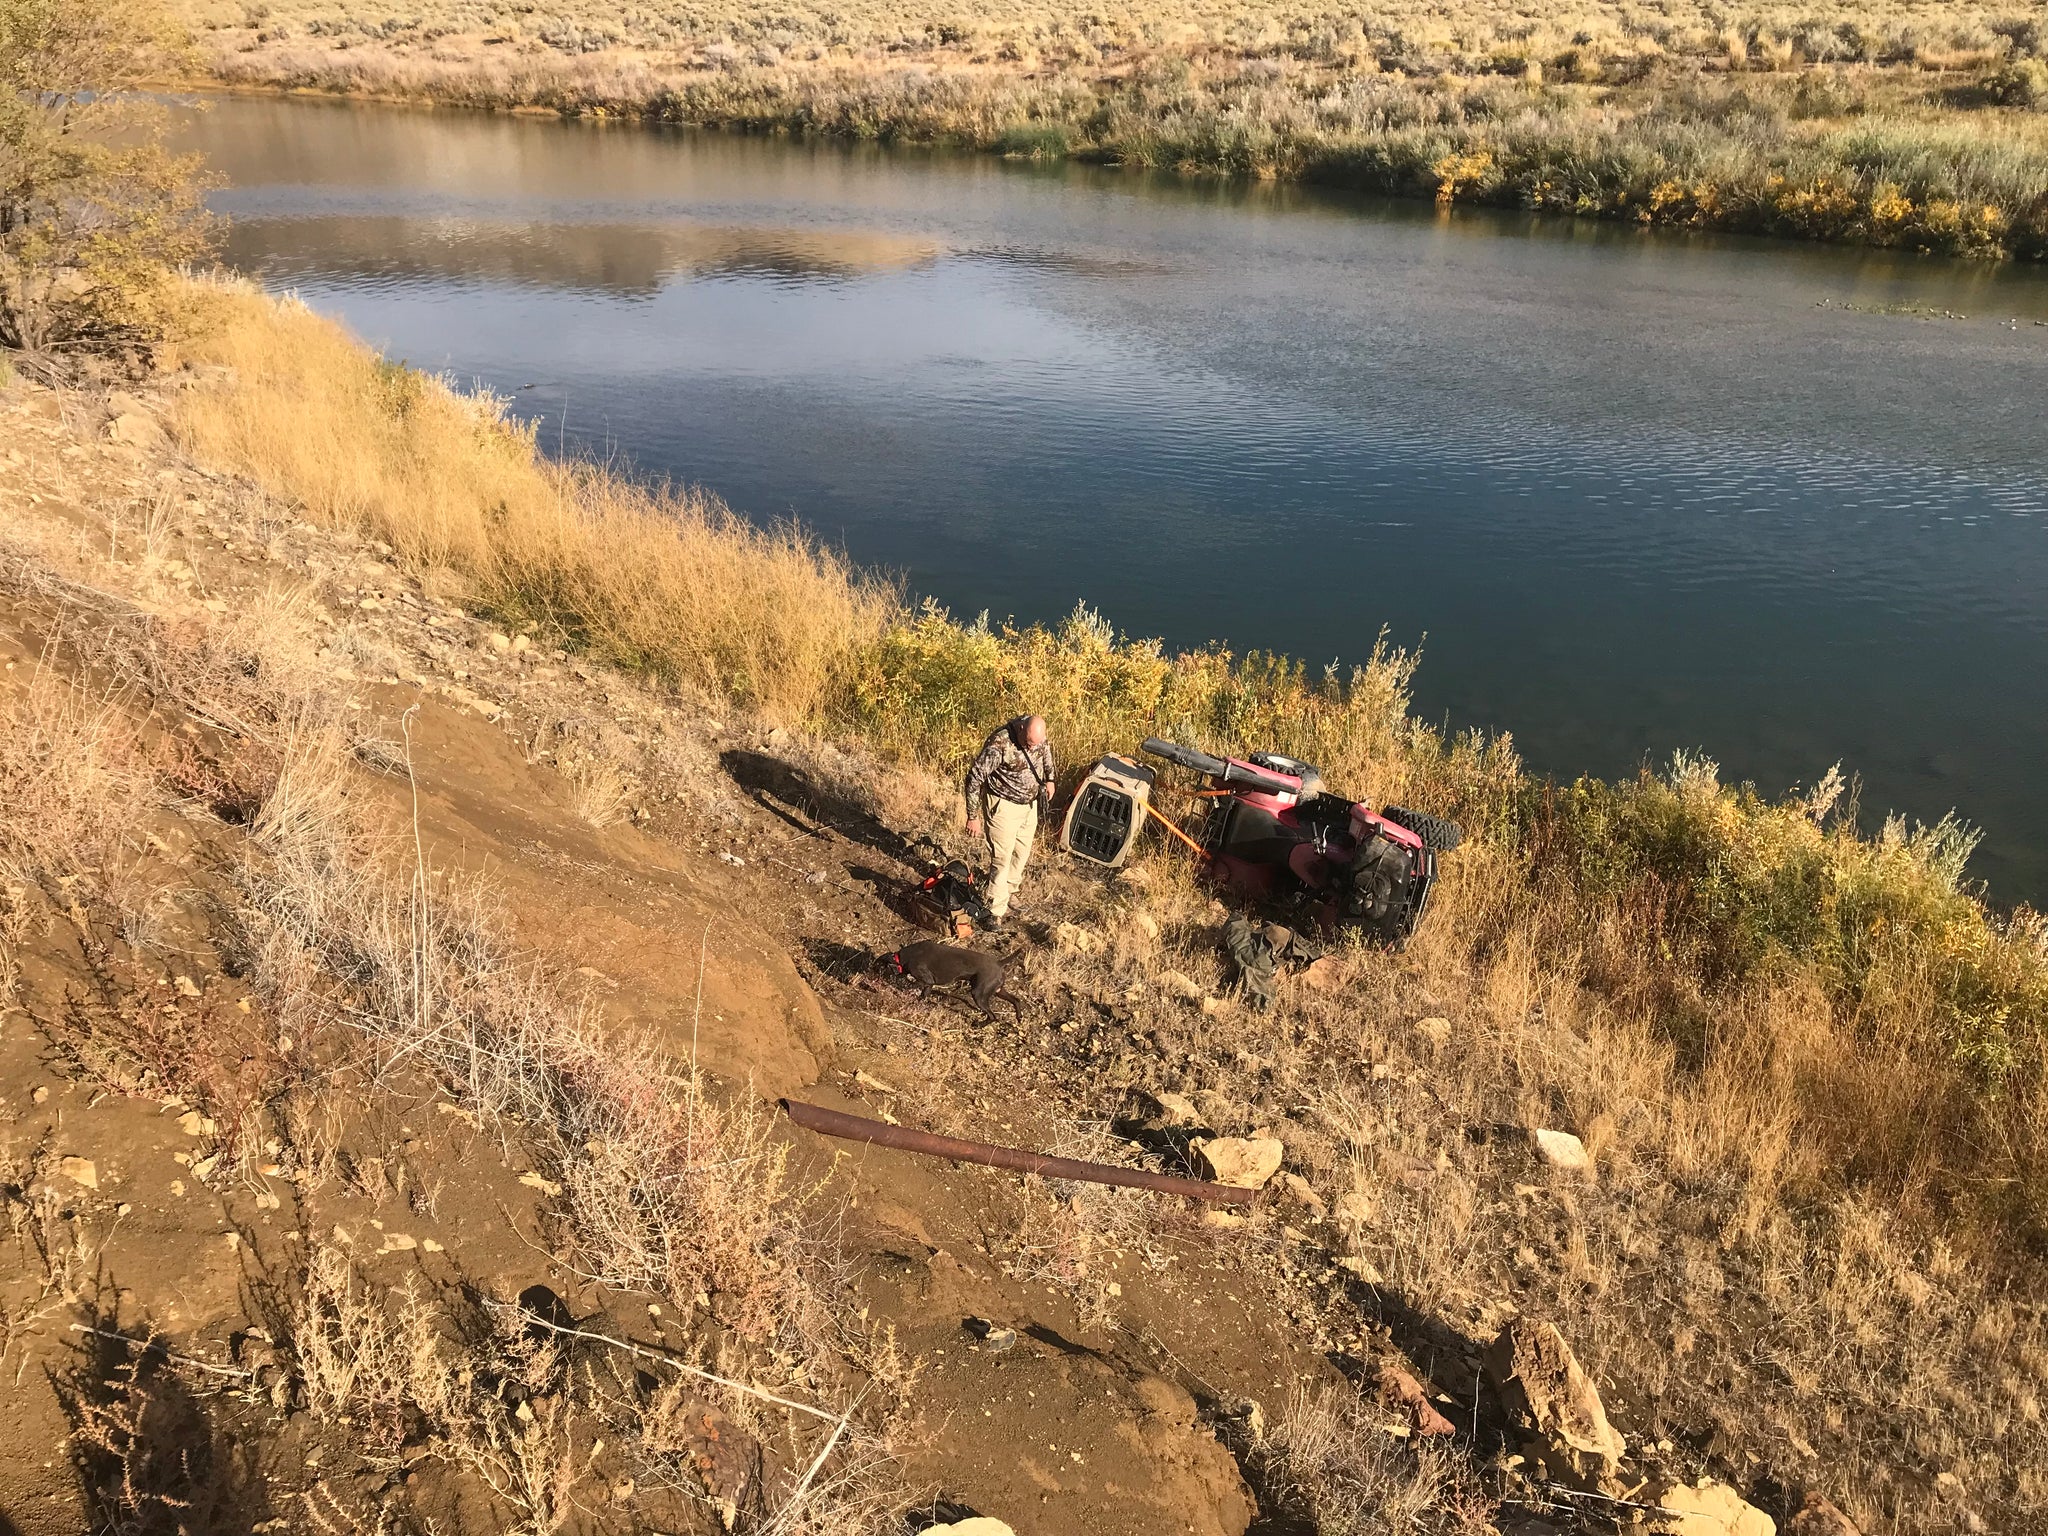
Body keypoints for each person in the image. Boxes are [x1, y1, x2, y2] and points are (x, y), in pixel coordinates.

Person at [963, 714, 1054, 930]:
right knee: (1001, 859)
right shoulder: (1000, 744)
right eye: (1028, 743)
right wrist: (972, 816)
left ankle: (1010, 890)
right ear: (1022, 730)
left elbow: (1046, 753)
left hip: (1028, 807)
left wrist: (1050, 779)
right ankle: (995, 910)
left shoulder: (1038, 738)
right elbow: (974, 777)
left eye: (1036, 744)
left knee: (1021, 853)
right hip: (1003, 806)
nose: (1032, 748)